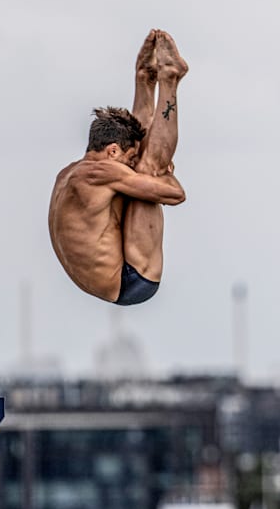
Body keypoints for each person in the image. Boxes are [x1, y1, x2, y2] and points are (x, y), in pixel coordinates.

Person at [48, 29, 188, 305]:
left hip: (104, 278)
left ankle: (144, 79)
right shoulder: (102, 173)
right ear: (112, 151)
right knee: (149, 170)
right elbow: (175, 195)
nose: (132, 163)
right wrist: (166, 177)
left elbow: (129, 160)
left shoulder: (69, 173)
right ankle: (169, 79)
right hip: (131, 279)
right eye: (128, 156)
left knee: (139, 172)